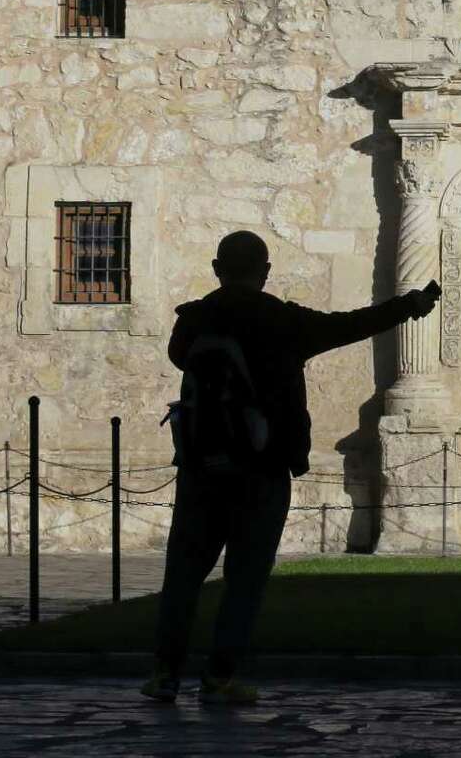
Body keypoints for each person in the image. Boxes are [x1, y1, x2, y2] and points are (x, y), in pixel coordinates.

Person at [141, 230, 437, 704]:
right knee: (245, 577)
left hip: (201, 466)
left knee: (182, 575)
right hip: (262, 467)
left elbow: (179, 358)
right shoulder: (281, 321)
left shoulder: (194, 321)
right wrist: (409, 305)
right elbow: (351, 325)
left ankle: (164, 675)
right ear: (265, 272)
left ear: (217, 269)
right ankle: (219, 679)